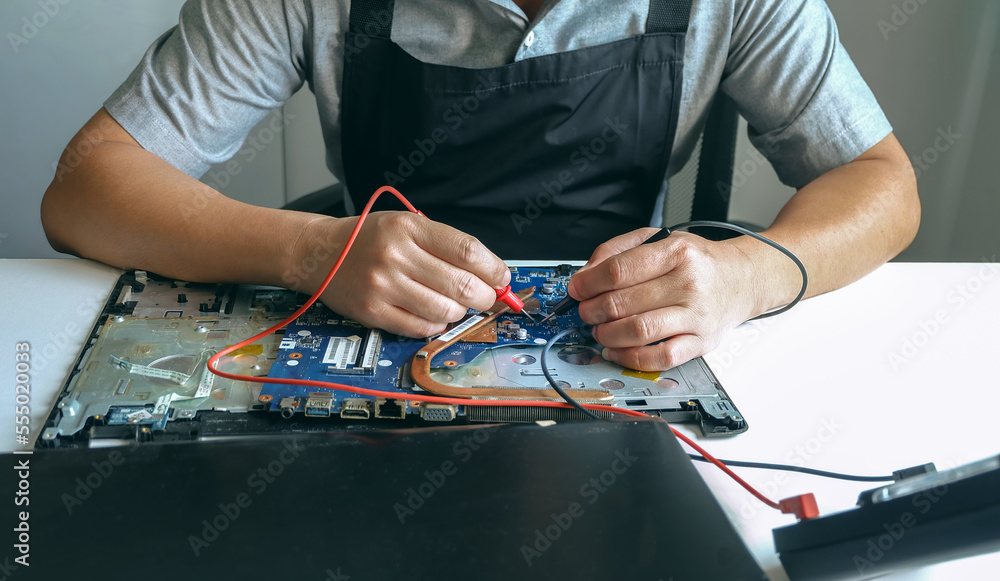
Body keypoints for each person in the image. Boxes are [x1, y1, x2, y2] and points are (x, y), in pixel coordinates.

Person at [40, 0, 920, 372]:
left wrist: (744, 275)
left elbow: (880, 182)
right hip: (363, 348)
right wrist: (313, 249)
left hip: (614, 353)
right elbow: (86, 187)